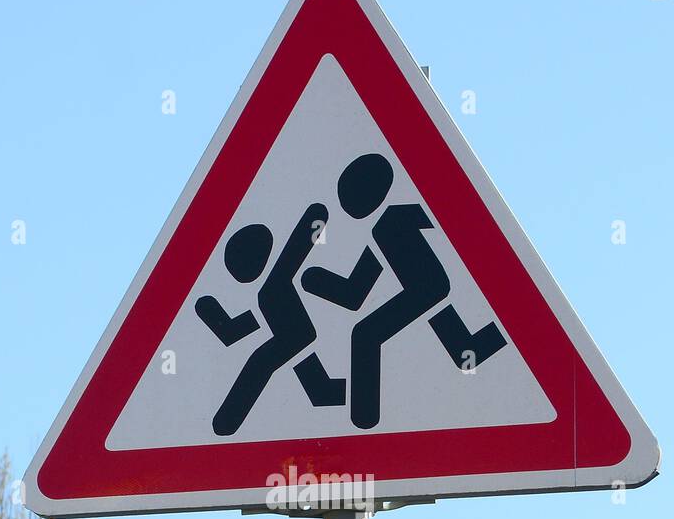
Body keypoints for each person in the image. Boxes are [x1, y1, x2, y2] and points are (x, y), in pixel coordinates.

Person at [301, 153, 506, 429]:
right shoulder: (382, 230)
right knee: (465, 350)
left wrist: (313, 279)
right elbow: (355, 293)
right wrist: (314, 280)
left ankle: (364, 418)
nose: (345, 204)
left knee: (365, 334)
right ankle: (501, 335)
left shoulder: (399, 217)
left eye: (349, 195)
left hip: (427, 289)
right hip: (430, 294)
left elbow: (459, 225)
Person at [196, 207, 345, 436]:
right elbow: (233, 330)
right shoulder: (269, 289)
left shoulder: (273, 285)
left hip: (296, 334)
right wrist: (215, 316)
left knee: (262, 363)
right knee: (268, 365)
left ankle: (225, 424)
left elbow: (301, 243)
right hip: (295, 335)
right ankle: (224, 425)